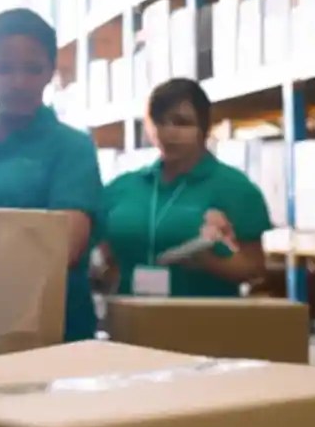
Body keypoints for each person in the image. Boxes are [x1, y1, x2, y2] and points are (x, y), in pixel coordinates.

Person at [0, 8, 103, 342]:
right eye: (4, 68)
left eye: (33, 69)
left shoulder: (72, 148)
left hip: (47, 335)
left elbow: (64, 246)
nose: (19, 82)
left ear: (51, 71)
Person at [97, 78, 271, 298]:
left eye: (181, 122)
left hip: (201, 323)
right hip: (129, 321)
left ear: (204, 127)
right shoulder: (122, 188)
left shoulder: (236, 189)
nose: (168, 132)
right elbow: (104, 254)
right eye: (160, 121)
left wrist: (210, 263)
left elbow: (255, 268)